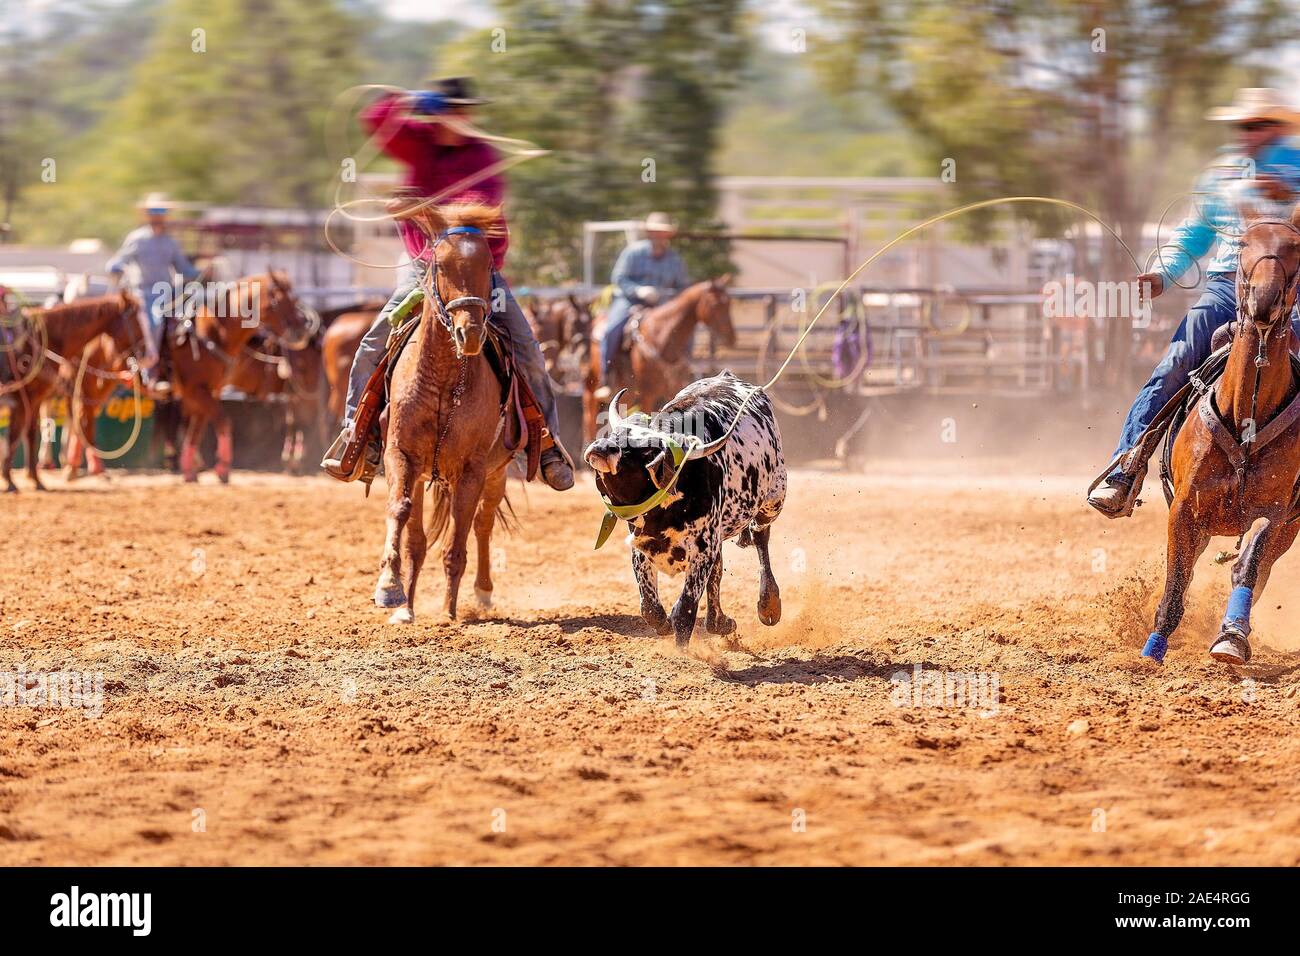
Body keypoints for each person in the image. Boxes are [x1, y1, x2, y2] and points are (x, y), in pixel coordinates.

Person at [321, 76, 573, 491]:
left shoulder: (484, 157)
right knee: (371, 343)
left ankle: (547, 444)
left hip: (479, 273)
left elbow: (476, 215)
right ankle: (358, 436)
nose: (457, 119)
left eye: (461, 111)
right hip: (425, 272)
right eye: (449, 111)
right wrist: (407, 100)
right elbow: (374, 118)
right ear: (436, 113)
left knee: (526, 347)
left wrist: (418, 208)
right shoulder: (419, 143)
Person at [1088, 88, 1300, 516]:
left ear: (1278, 128)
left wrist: (1289, 197)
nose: (1250, 132)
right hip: (1229, 285)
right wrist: (1162, 274)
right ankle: (1125, 468)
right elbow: (1194, 234)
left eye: (1259, 124)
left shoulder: (1297, 167)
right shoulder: (1220, 175)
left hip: (1293, 285)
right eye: (1245, 125)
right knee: (1177, 361)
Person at [106, 193, 199, 393]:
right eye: (154, 211)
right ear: (148, 214)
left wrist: (201, 272)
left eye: (161, 211)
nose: (158, 215)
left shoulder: (170, 243)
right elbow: (121, 259)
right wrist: (115, 266)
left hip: (168, 292)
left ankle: (185, 373)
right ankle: (150, 374)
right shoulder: (138, 239)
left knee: (192, 322)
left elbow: (182, 268)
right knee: (154, 323)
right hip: (143, 292)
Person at [595, 212, 690, 400]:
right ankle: (606, 379)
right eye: (655, 232)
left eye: (662, 232)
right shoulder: (634, 252)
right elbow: (619, 278)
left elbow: (682, 286)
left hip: (659, 306)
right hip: (629, 300)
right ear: (649, 233)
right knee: (611, 329)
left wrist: (669, 299)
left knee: (683, 331)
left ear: (668, 235)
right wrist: (638, 290)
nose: (659, 236)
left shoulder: (674, 259)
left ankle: (681, 373)